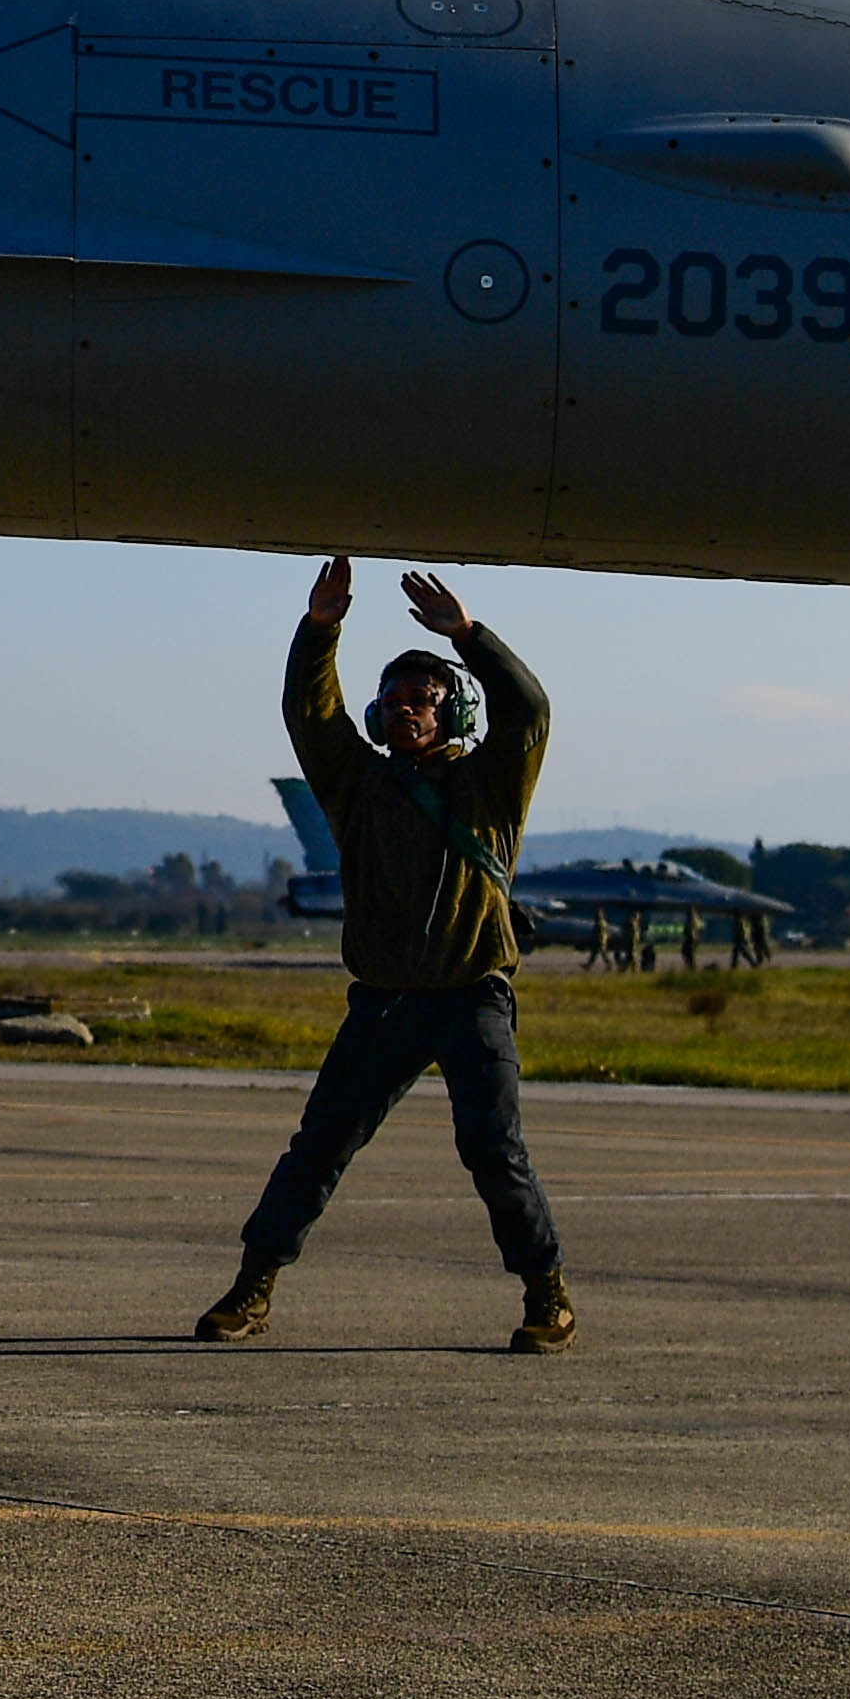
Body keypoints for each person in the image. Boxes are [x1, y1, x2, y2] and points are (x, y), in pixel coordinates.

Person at [197, 556, 576, 1354]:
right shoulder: (356, 785)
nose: (406, 711)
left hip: (472, 997)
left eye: (423, 700)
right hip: (382, 1005)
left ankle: (548, 1295)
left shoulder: (493, 786)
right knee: (319, 1148)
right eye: (395, 701)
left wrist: (468, 638)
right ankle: (252, 1288)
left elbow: (530, 711)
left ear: (454, 713)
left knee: (494, 1153)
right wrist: (320, 629)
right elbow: (311, 710)